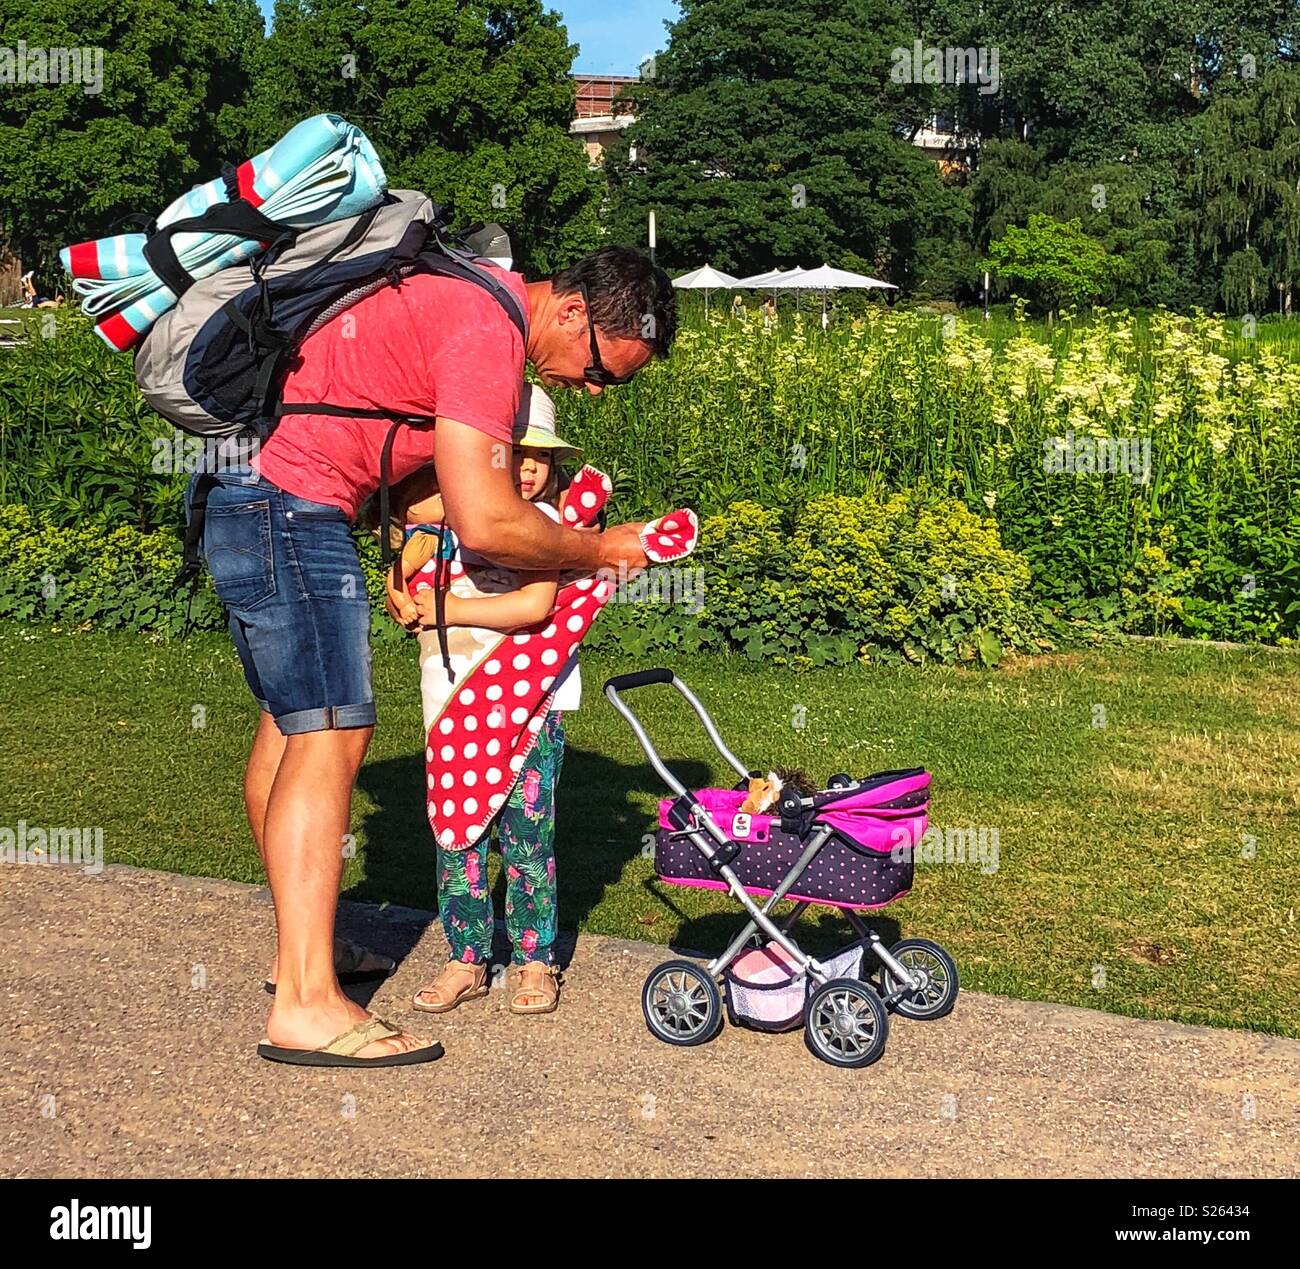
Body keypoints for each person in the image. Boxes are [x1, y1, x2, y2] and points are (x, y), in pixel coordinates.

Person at [192, 247, 676, 1068]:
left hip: (245, 493)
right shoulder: (488, 327)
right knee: (330, 733)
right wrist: (602, 547)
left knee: (288, 726)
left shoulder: (462, 287)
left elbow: (431, 474)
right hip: (288, 507)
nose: (593, 392)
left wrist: (416, 529)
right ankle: (307, 1003)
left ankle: (299, 957)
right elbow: (489, 522)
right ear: (570, 312)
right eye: (602, 372)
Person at [395, 386, 579, 1017]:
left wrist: (448, 608)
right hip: (448, 701)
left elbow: (533, 606)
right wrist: (402, 586)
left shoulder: (546, 529)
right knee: (456, 834)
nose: (527, 467)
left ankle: (534, 960)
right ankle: (466, 957)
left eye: (540, 457)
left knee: (527, 838)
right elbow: (407, 577)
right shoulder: (447, 525)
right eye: (512, 452)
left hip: (527, 708)